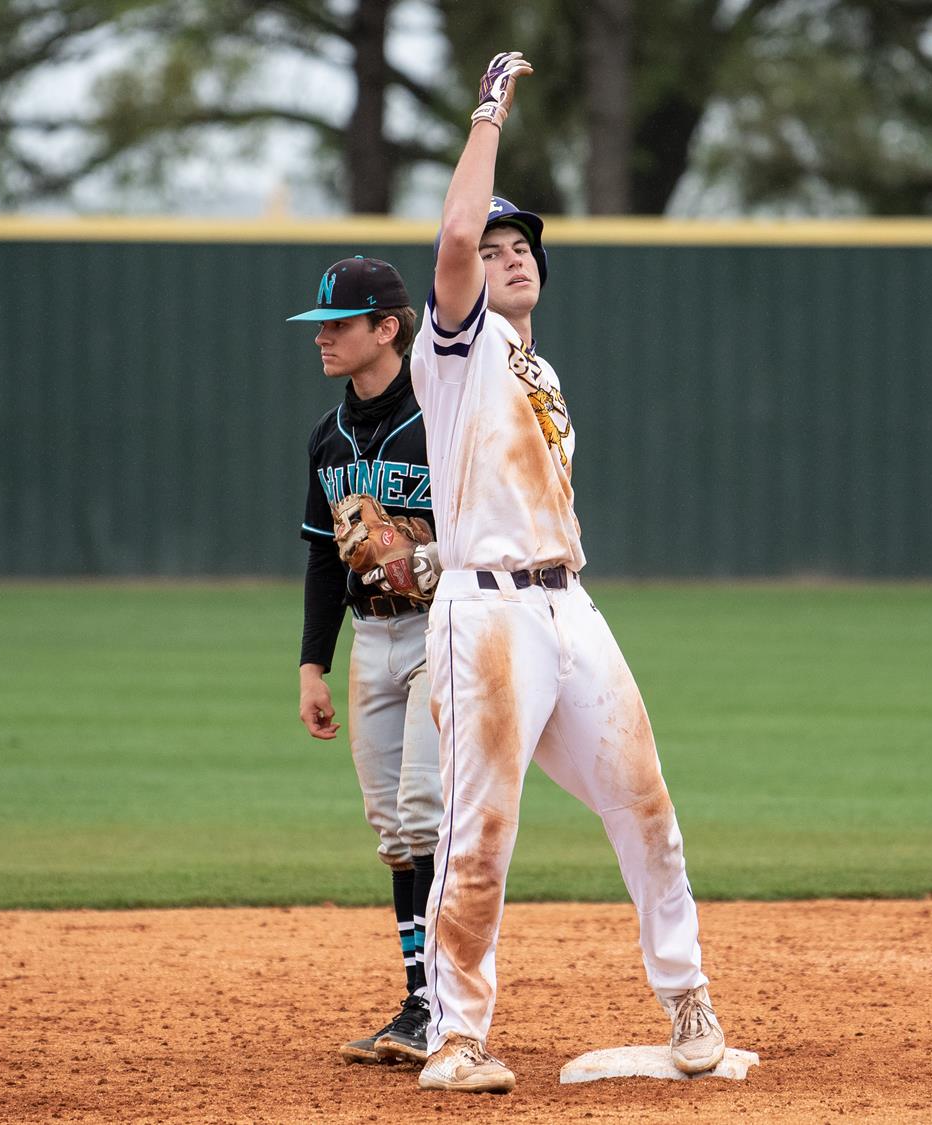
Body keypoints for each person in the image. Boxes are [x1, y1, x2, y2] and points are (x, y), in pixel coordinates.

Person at [409, 52, 726, 1095]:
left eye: (521, 247)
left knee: (645, 801)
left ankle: (687, 998)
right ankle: (456, 1039)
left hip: (568, 604)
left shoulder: (536, 369)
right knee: (480, 833)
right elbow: (454, 235)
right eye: (494, 249)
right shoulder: (454, 351)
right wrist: (488, 114)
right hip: (486, 616)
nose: (507, 257)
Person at [291, 256, 441, 1066]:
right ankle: (418, 1000)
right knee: (392, 830)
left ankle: (442, 1001)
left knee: (424, 812)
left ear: (387, 328)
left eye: (339, 324)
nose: (323, 338)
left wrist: (430, 558)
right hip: (370, 641)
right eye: (320, 326)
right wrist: (312, 666)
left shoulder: (440, 416)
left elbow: (490, 525)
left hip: (441, 632)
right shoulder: (328, 436)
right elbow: (324, 557)